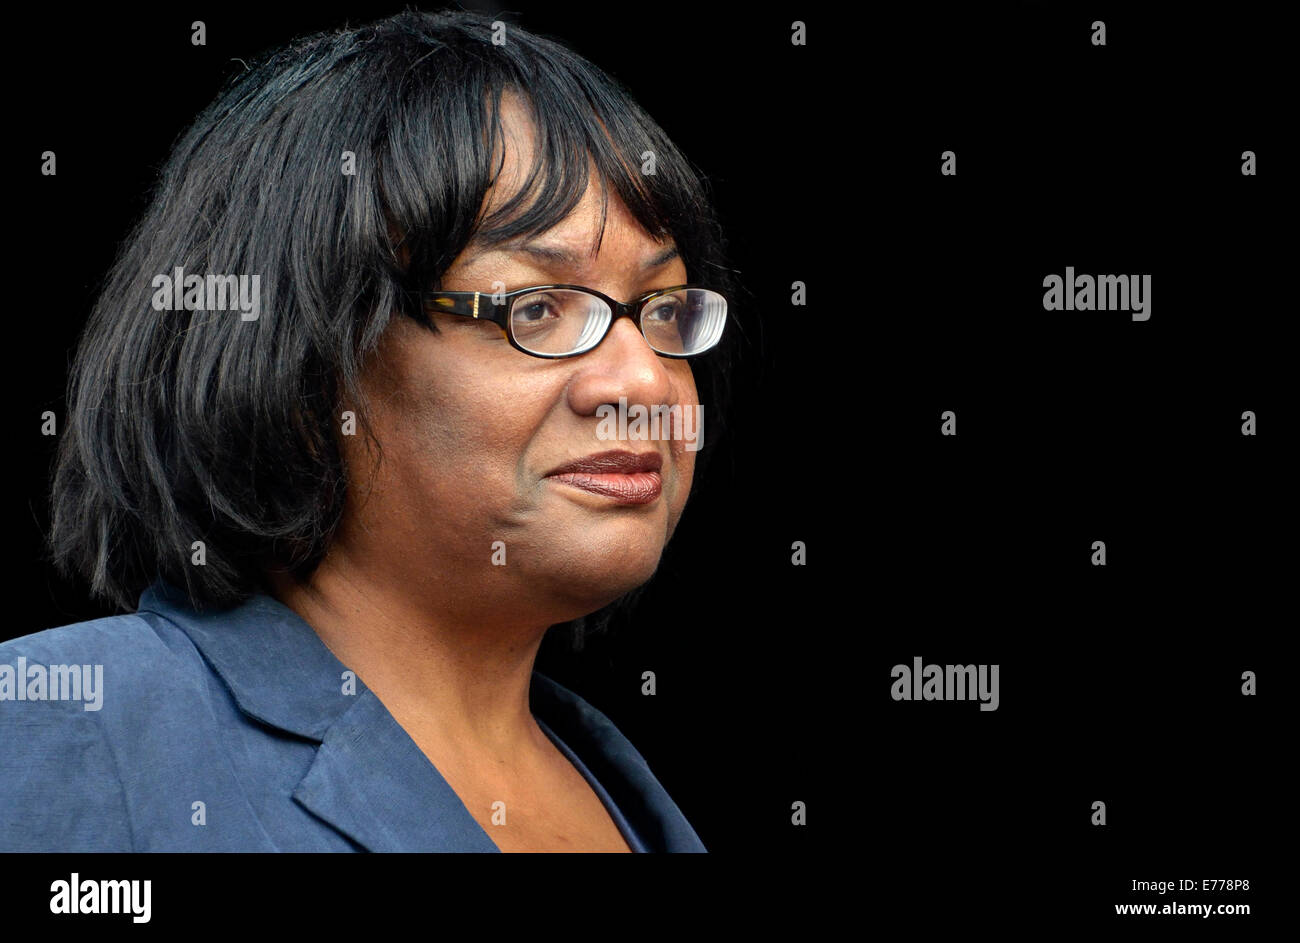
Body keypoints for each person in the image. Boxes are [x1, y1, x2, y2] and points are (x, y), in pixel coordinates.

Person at [0, 8, 738, 853]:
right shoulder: (63, 721)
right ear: (306, 368)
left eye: (662, 309)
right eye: (535, 306)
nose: (644, 379)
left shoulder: (627, 797)